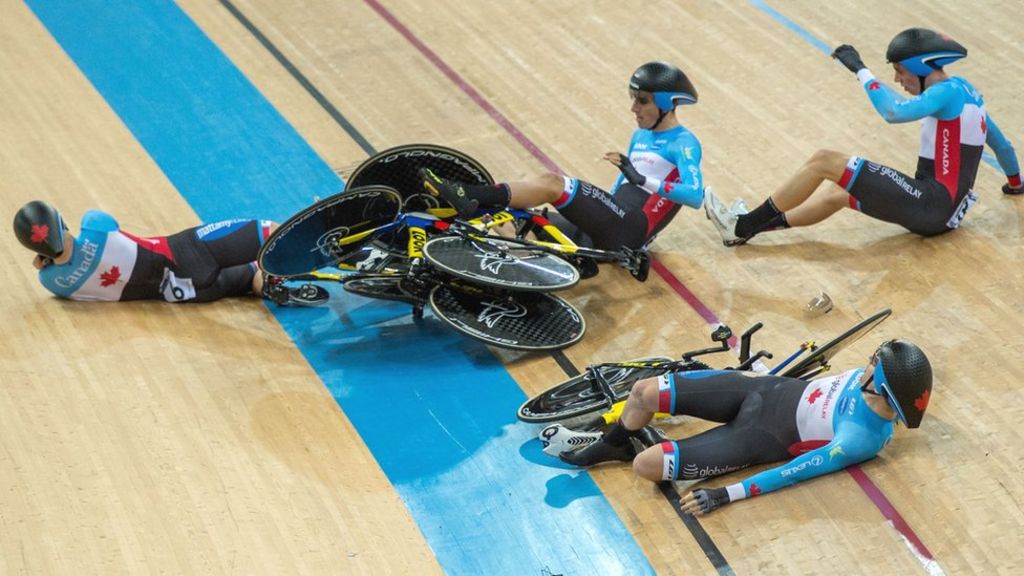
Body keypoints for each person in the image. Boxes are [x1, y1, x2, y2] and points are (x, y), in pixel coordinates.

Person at [705, 27, 1022, 246]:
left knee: (824, 161)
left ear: (921, 67)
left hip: (930, 204)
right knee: (838, 193)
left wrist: (860, 70)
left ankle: (740, 225)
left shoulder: (946, 92)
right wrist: (1016, 184)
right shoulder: (968, 95)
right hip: (944, 214)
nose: (897, 79)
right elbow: (1003, 146)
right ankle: (748, 230)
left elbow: (893, 112)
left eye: (900, 70)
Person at [559, 339, 932, 516]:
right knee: (643, 391)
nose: (865, 363)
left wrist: (725, 495)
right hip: (759, 390)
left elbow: (793, 473)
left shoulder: (860, 438)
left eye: (872, 363)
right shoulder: (878, 386)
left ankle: (640, 448)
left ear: (880, 385)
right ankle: (617, 442)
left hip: (760, 436)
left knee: (647, 467)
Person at [420, 61, 706, 252]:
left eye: (642, 100)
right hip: (613, 221)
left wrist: (641, 179)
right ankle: (523, 267)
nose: (634, 107)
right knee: (519, 220)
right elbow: (622, 189)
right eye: (633, 98)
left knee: (554, 184)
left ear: (666, 104)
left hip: (629, 228)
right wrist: (600, 209)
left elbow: (694, 195)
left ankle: (467, 193)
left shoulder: (684, 142)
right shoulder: (641, 136)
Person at [13, 200, 327, 305]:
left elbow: (58, 265)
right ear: (60, 223)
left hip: (185, 293)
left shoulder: (55, 283)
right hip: (188, 252)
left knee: (249, 275)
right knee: (269, 231)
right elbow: (93, 234)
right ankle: (334, 244)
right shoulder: (94, 226)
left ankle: (266, 284)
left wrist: (49, 261)